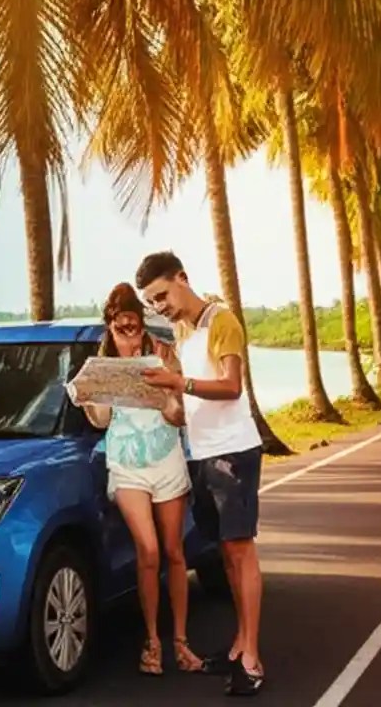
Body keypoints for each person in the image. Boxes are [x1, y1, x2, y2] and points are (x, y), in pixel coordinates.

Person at [134, 251, 266, 697]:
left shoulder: (220, 320)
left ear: (182, 279)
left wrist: (180, 383)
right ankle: (237, 644)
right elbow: (184, 410)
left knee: (240, 550)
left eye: (162, 295)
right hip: (201, 453)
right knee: (225, 554)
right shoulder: (181, 332)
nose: (159, 306)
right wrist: (161, 395)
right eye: (151, 302)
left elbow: (231, 387)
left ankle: (251, 657)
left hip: (235, 452)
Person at [77, 283, 204, 677]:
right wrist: (90, 395)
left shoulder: (164, 355)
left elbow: (182, 416)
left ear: (141, 322)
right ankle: (152, 640)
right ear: (111, 327)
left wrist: (168, 396)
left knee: (174, 552)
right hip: (127, 465)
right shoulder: (102, 363)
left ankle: (181, 641)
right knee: (147, 551)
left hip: (166, 460)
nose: (129, 335)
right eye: (121, 328)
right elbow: (100, 422)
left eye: (134, 327)